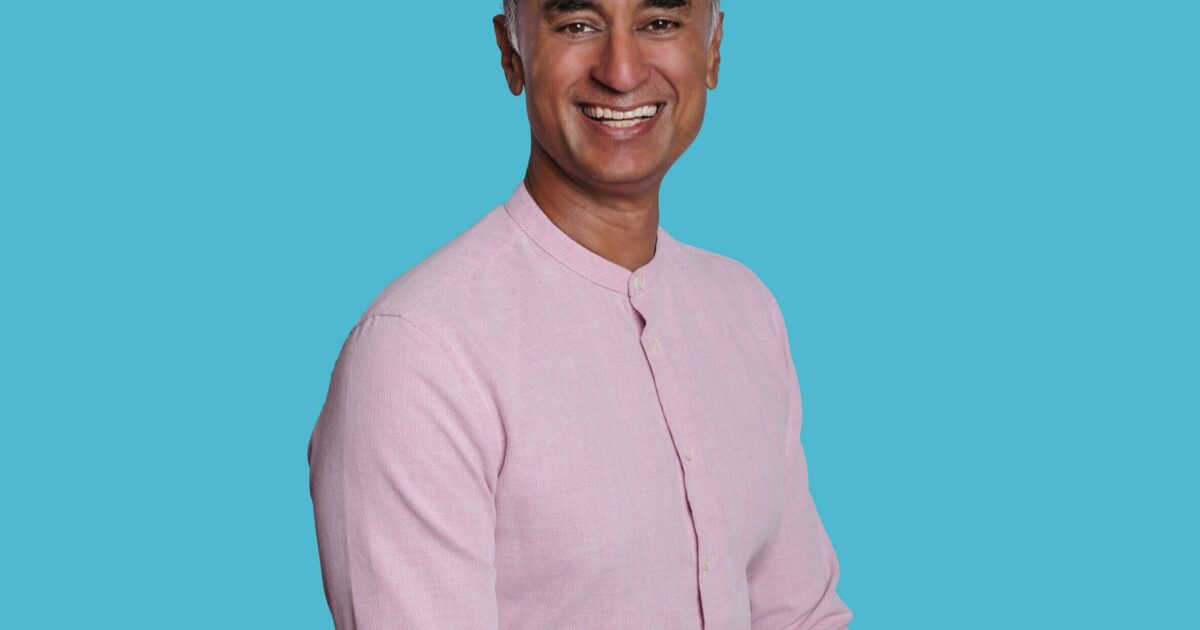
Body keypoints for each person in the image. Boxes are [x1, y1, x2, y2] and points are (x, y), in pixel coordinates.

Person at [307, 0, 854, 627]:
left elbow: (800, 614)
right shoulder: (418, 357)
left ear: (713, 47)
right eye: (577, 25)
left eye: (659, 23)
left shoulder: (746, 310)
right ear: (511, 54)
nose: (621, 71)